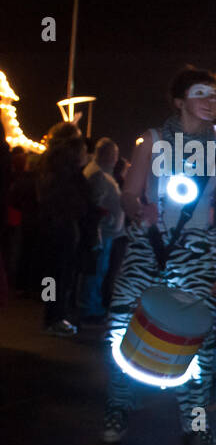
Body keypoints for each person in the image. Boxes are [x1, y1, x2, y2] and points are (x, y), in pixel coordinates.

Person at [102, 68, 216, 445]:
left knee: (198, 337)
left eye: (215, 94)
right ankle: (116, 406)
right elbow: (128, 194)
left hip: (196, 249)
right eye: (201, 93)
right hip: (149, 243)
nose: (212, 100)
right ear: (180, 101)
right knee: (120, 323)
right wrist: (137, 207)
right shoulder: (153, 140)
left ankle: (196, 426)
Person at [35, 123, 93, 335]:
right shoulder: (67, 169)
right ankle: (55, 316)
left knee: (51, 275)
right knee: (62, 274)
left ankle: (50, 314)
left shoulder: (47, 164)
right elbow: (76, 200)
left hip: (50, 226)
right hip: (64, 226)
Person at [78, 137, 124, 324]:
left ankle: (92, 305)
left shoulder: (102, 173)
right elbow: (95, 204)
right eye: (113, 155)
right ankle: (90, 308)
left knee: (98, 271)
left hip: (106, 231)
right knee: (95, 271)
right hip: (102, 233)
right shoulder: (98, 175)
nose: (115, 159)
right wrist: (109, 219)